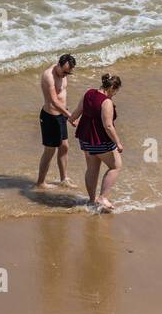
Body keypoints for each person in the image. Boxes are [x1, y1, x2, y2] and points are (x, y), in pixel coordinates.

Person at [69, 73, 124, 211]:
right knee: (116, 166)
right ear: (111, 87)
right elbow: (108, 126)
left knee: (92, 169)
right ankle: (103, 198)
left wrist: (72, 120)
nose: (114, 94)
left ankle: (92, 201)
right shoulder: (106, 102)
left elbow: (76, 113)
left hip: (85, 139)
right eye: (115, 91)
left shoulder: (88, 93)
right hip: (100, 140)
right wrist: (118, 142)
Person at [35, 54, 76, 188]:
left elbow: (62, 95)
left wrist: (66, 112)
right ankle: (41, 182)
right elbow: (53, 100)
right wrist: (70, 116)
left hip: (61, 115)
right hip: (50, 117)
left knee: (64, 146)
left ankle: (64, 179)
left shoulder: (63, 75)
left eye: (68, 73)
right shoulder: (49, 76)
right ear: (58, 64)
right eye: (64, 71)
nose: (65, 75)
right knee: (50, 150)